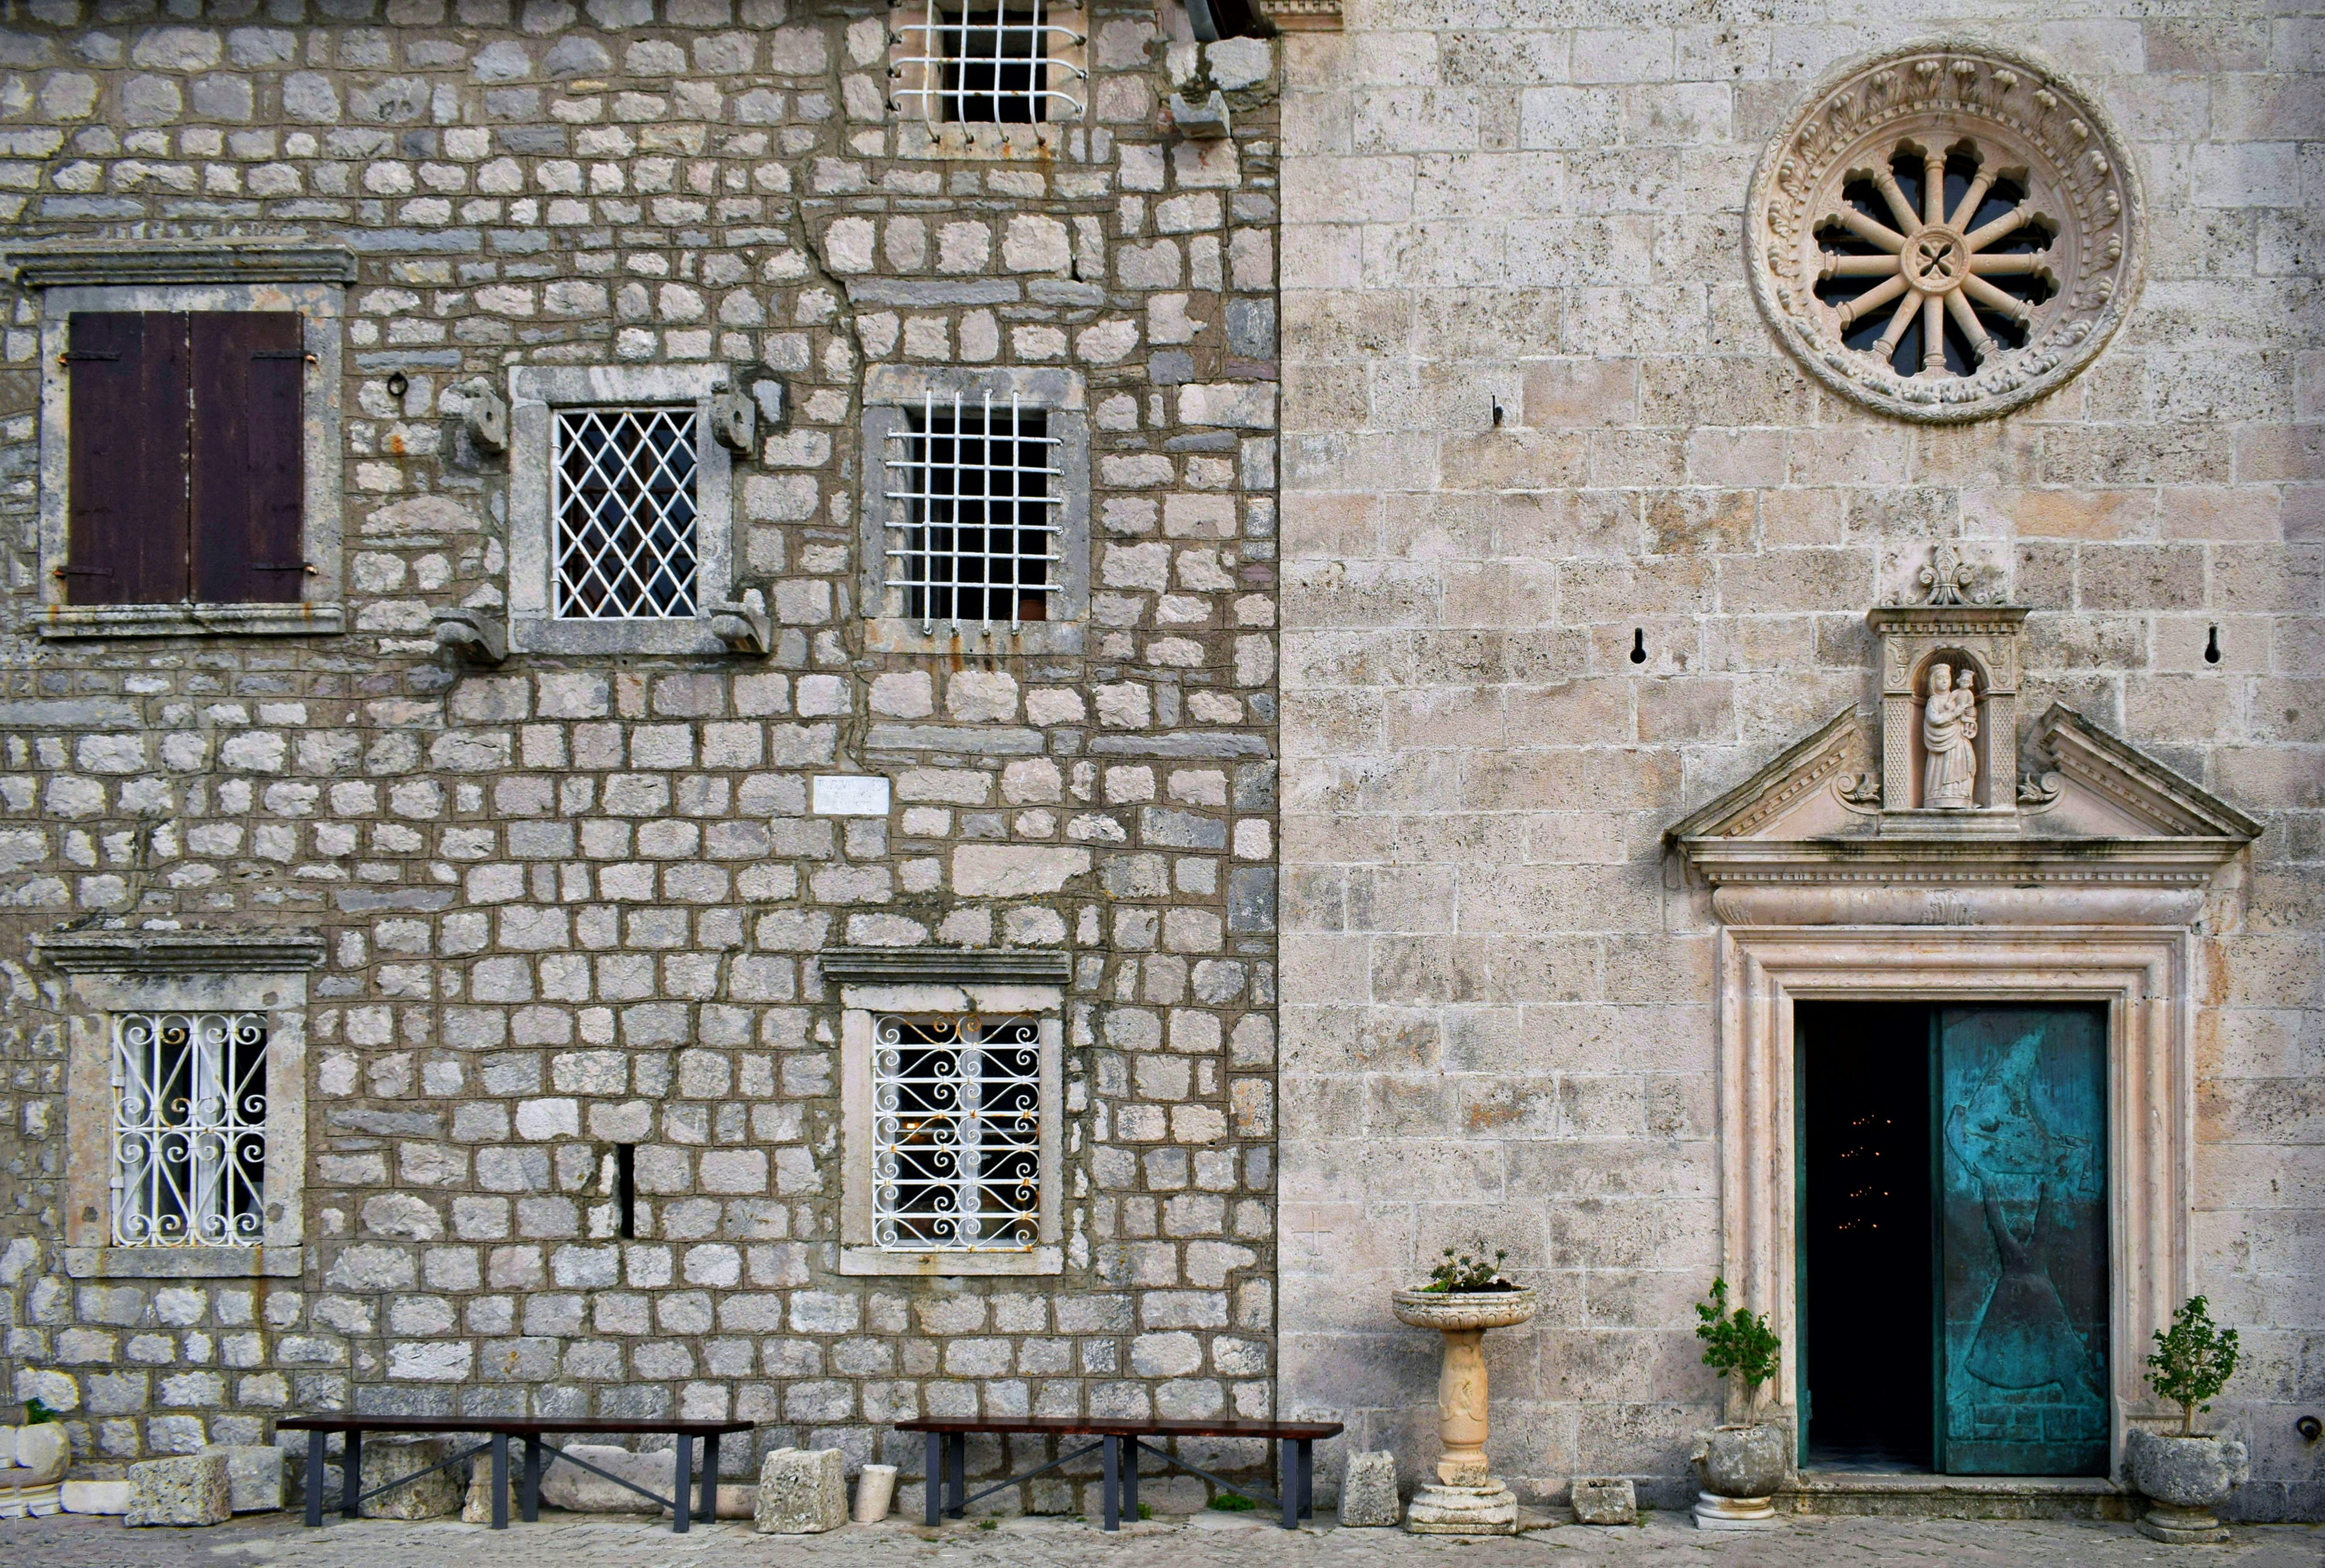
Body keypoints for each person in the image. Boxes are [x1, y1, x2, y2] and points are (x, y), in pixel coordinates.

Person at [1922, 662, 1979, 808]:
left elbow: (1968, 712)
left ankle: (1961, 793)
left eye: (1947, 678)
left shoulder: (1957, 696)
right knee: (1944, 764)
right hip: (1941, 740)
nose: (1944, 681)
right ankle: (1940, 793)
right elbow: (1933, 719)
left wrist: (1972, 713)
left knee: (1963, 762)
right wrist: (1953, 715)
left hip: (1959, 737)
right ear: (1933, 682)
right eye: (1940, 678)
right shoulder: (1934, 701)